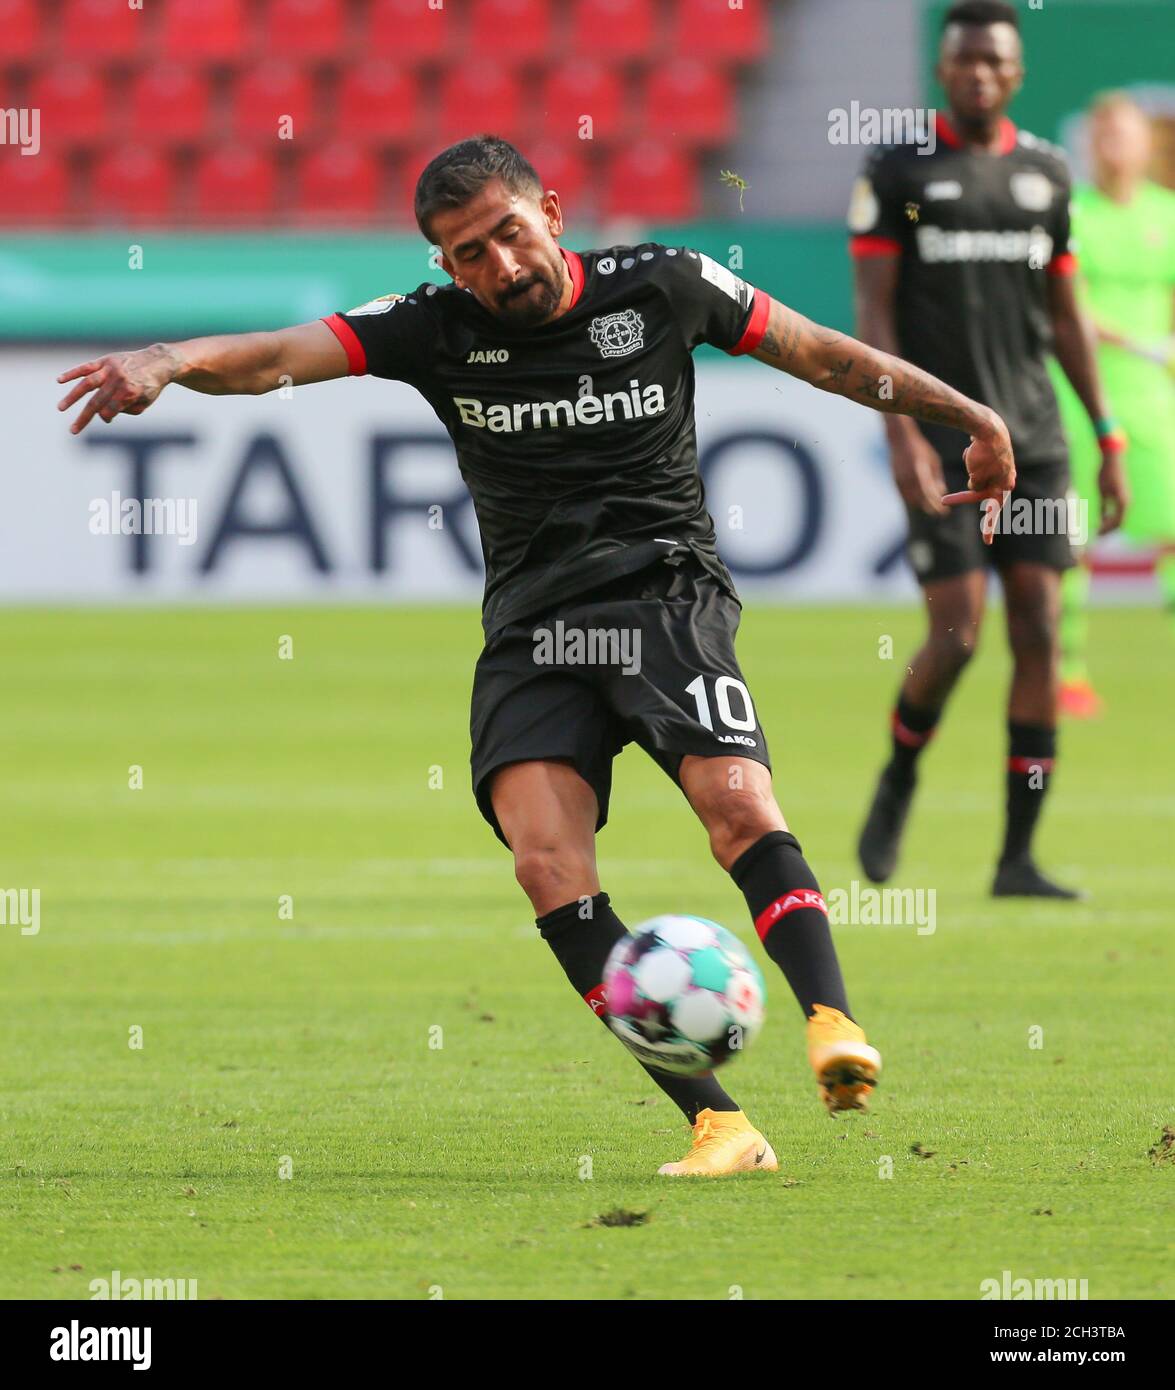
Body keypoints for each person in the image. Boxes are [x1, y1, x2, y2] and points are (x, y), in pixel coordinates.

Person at [57, 135, 1014, 1176]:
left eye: (509, 234)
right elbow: (275, 359)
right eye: (468, 254)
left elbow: (823, 355)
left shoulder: (664, 285)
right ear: (445, 264)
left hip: (663, 597)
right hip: (533, 628)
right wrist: (167, 360)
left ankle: (831, 1021)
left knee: (735, 806)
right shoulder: (433, 328)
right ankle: (719, 1124)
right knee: (545, 866)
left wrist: (966, 414)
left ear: (551, 213)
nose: (500, 266)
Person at [850, 0, 1128, 900]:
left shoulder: (1045, 174)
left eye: (993, 62)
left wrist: (1105, 433)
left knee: (1040, 628)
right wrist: (899, 433)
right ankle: (898, 776)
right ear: (943, 70)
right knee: (958, 632)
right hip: (942, 440)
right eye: (963, 60)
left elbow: (1066, 315)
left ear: (1016, 74)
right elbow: (874, 313)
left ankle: (1016, 858)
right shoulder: (897, 169)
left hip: (1035, 442)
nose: (977, 74)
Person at [1054, 92, 1175, 718]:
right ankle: (1067, 674)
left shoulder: (1167, 215)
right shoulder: (1072, 216)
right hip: (1079, 394)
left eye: (1123, 135)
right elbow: (1066, 307)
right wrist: (1139, 342)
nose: (1112, 148)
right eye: (1102, 137)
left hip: (1151, 397)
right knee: (1071, 539)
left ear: (1147, 144)